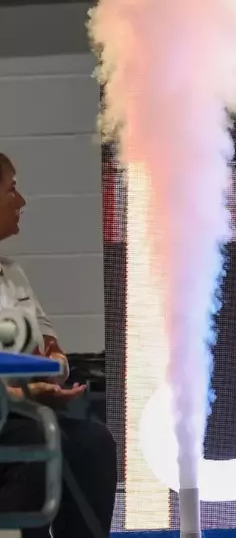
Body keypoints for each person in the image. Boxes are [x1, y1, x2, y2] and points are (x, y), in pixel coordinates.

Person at [0, 153, 117, 538]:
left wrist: (43, 378)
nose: (21, 201)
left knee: (93, 442)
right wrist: (25, 388)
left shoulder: (12, 276)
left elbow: (54, 351)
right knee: (35, 442)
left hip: (28, 407)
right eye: (11, 189)